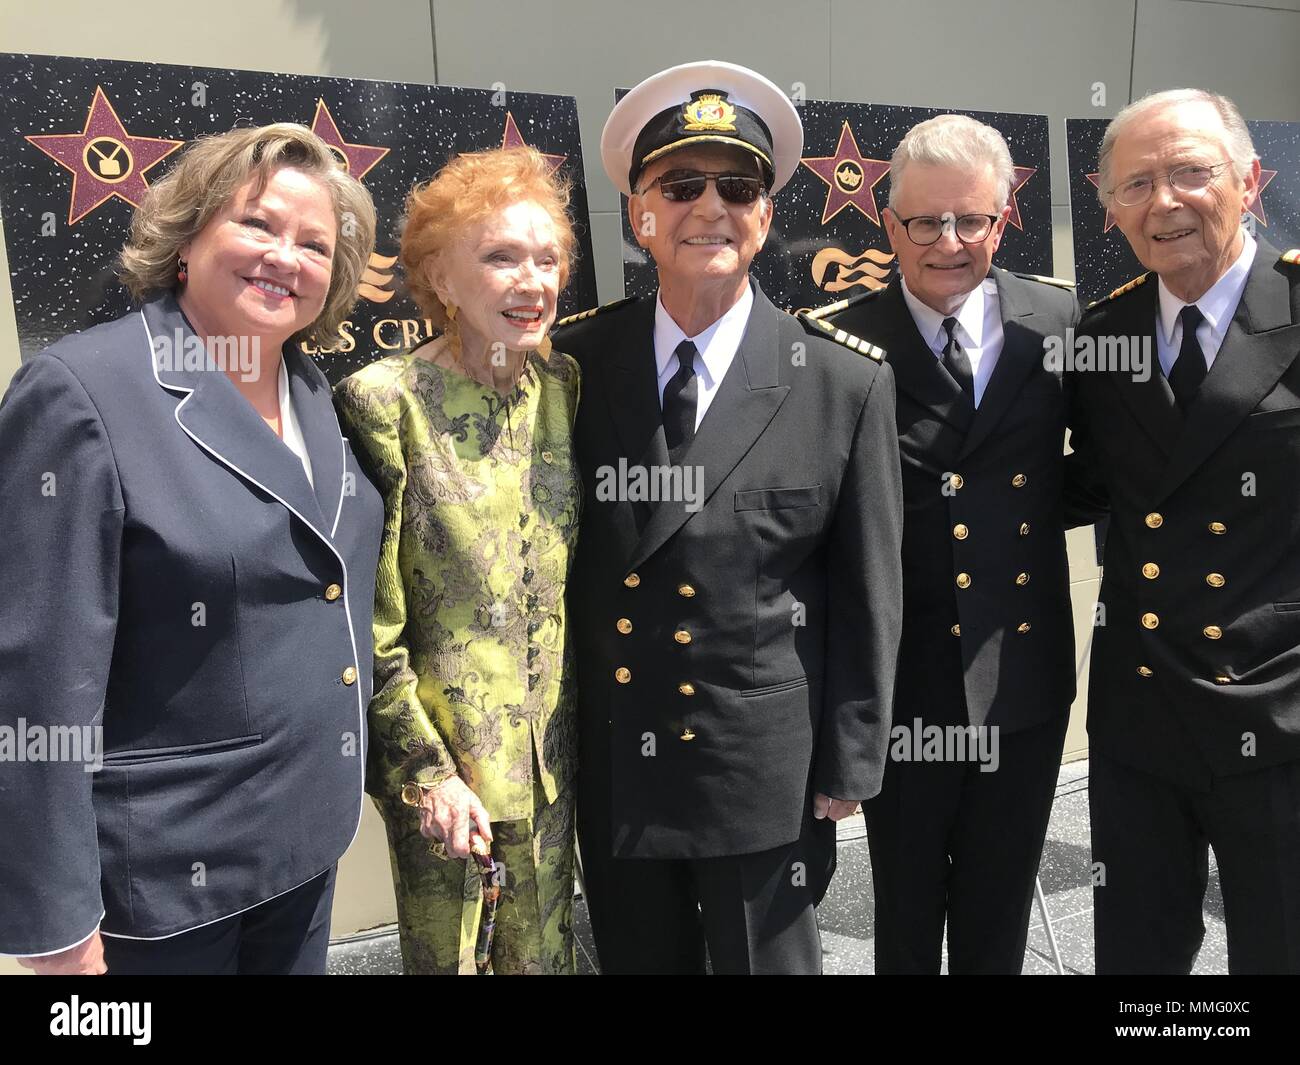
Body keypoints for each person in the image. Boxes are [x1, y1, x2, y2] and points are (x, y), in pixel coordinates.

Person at [0, 123, 382, 974]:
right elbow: (34, 682)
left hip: (302, 853)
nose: (285, 256)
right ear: (186, 238)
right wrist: (57, 936)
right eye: (257, 225)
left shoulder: (314, 394)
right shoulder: (81, 395)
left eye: (314, 244)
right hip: (161, 895)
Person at [553, 60, 904, 975]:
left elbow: (870, 591)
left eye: (737, 187)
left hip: (760, 770)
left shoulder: (842, 381)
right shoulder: (575, 366)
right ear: (639, 214)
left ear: (763, 216)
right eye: (681, 185)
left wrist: (850, 761)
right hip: (621, 760)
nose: (710, 206)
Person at [812, 114, 1089, 973]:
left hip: (1023, 678)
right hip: (905, 688)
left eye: (972, 220)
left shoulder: (1060, 316)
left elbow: (1104, 463)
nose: (949, 242)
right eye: (925, 222)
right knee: (905, 905)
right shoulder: (832, 338)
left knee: (998, 904)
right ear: (889, 225)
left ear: (1003, 221)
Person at [334, 147, 580, 975]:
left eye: (547, 258)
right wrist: (425, 774)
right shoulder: (384, 401)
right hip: (449, 781)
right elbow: (367, 623)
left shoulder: (565, 390)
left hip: (557, 765)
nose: (531, 281)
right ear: (439, 275)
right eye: (501, 257)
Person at [1071, 88, 1300, 974]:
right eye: (1135, 185)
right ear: (1110, 210)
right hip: (1140, 720)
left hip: (1279, 715)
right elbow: (1083, 485)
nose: (1163, 203)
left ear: (1247, 180)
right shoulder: (1104, 335)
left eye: (1190, 173)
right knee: (1139, 960)